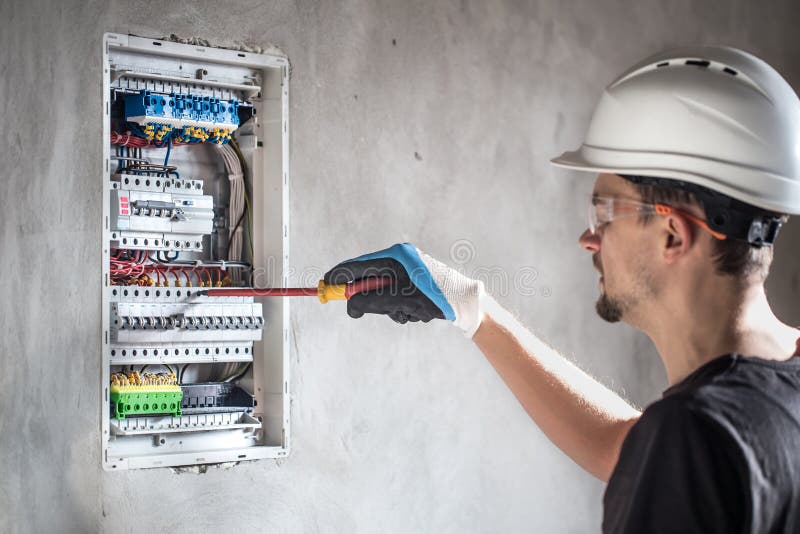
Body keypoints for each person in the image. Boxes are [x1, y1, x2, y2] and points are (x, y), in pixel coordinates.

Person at [324, 46, 800, 533]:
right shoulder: (763, 399)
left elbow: (669, 453)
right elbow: (624, 447)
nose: (588, 238)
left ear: (672, 235)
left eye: (604, 213)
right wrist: (473, 310)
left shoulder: (692, 437)